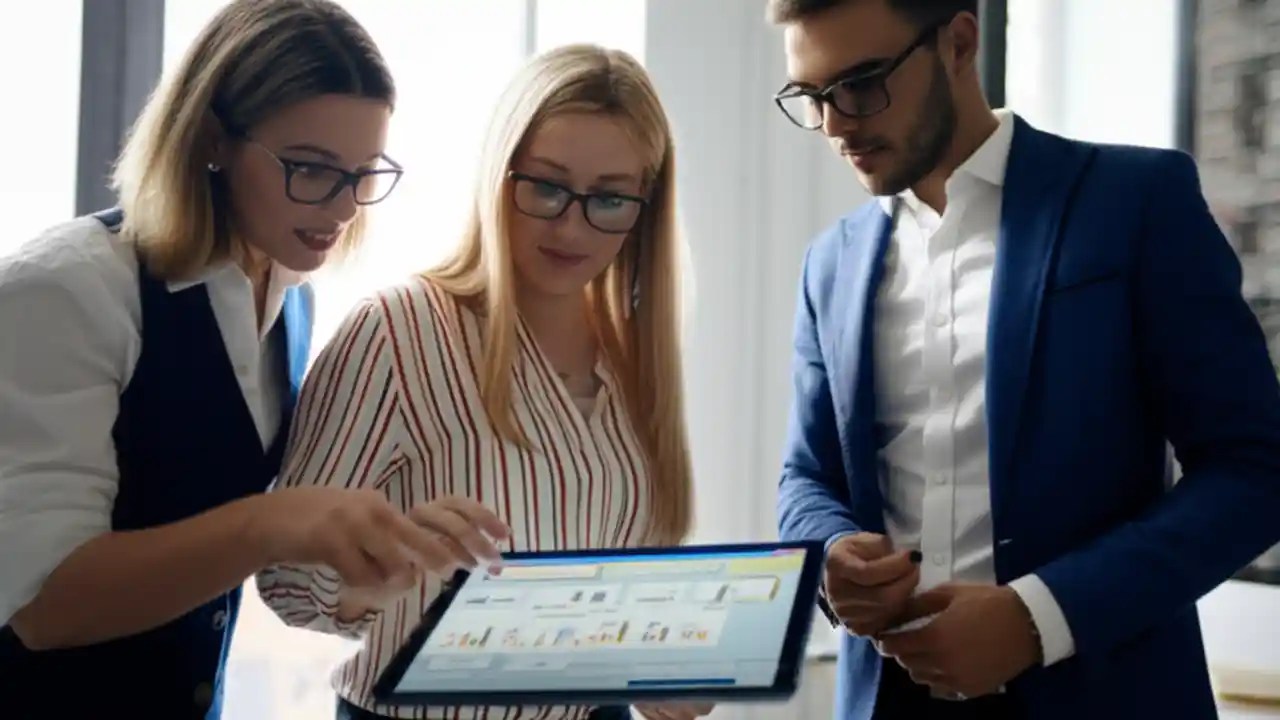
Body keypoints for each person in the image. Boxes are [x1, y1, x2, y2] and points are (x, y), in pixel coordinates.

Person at [767, 0, 1280, 718]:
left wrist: (1041, 617)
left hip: (1103, 692)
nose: (835, 124)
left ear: (959, 41)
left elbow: (1256, 471)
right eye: (811, 96)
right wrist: (829, 557)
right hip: (884, 699)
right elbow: (806, 475)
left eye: (860, 84)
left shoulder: (1135, 204)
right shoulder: (831, 262)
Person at [0, 1, 493, 717]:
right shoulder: (68, 290)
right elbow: (43, 606)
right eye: (311, 169)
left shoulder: (289, 296)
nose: (345, 206)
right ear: (210, 141)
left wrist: (378, 563)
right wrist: (274, 522)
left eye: (364, 174)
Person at [256, 44, 714, 720]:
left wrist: (656, 672)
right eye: (547, 186)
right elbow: (286, 581)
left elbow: (619, 602)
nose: (571, 225)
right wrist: (380, 568)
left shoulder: (636, 358)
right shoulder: (398, 330)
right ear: (500, 176)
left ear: (645, 207)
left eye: (610, 199)